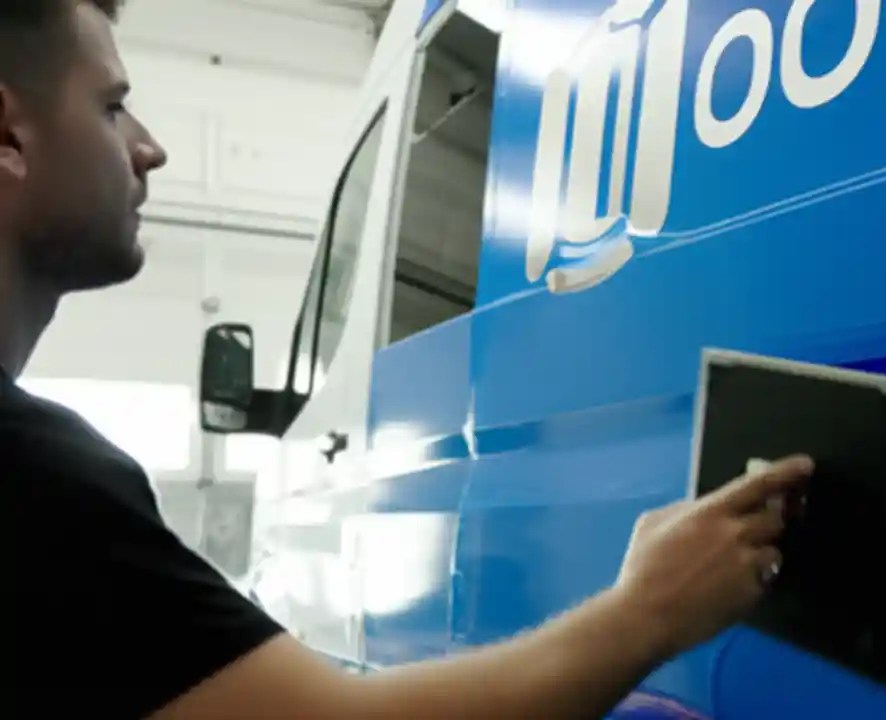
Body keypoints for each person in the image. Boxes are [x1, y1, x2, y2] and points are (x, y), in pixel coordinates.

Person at [0, 2, 814, 717]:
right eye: (113, 109)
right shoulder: (33, 479)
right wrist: (648, 614)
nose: (149, 149)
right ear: (8, 134)